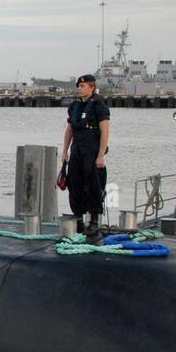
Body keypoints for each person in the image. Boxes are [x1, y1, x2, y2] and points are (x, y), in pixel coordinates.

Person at [61, 73, 111, 238]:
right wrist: (65, 152)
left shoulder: (98, 105)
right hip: (77, 149)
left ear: (92, 87)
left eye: (82, 86)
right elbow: (69, 130)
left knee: (92, 184)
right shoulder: (74, 106)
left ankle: (94, 220)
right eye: (78, 86)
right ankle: (79, 218)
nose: (79, 89)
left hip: (92, 149)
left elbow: (105, 131)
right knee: (74, 183)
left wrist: (101, 155)